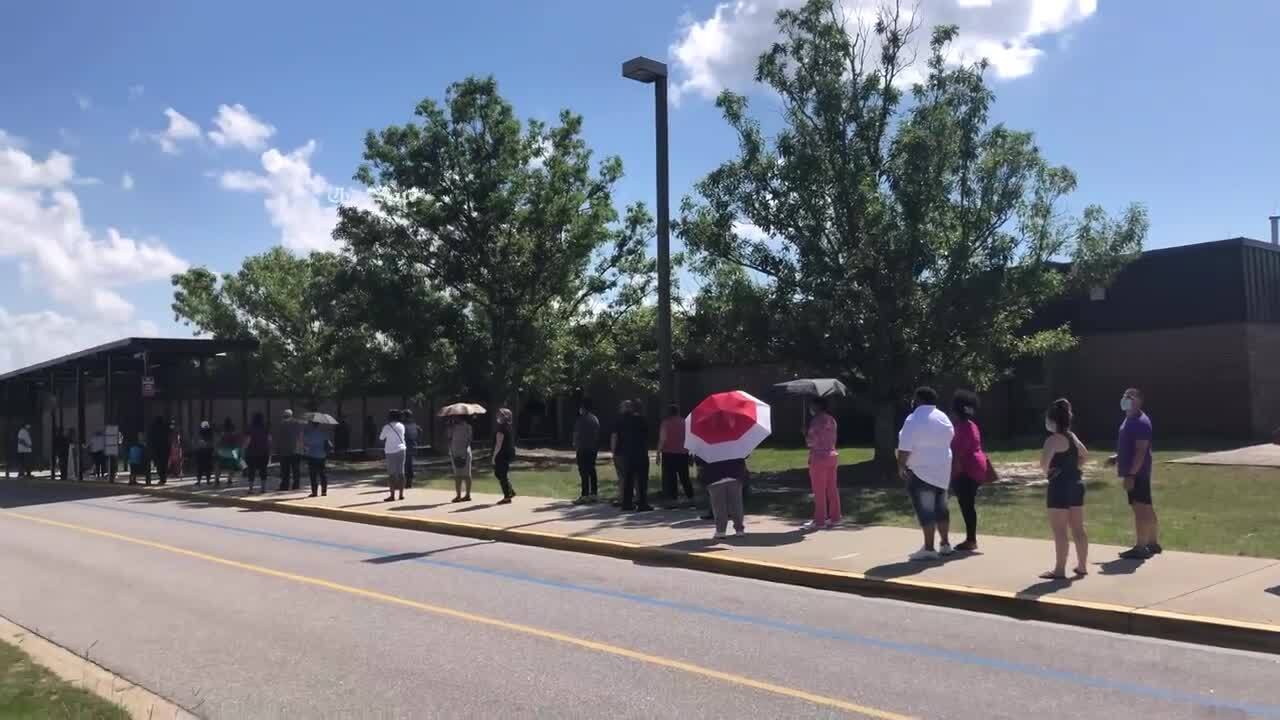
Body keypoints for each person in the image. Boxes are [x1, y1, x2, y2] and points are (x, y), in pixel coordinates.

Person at [897, 387, 956, 561]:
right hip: (943, 469)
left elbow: (905, 446)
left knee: (926, 509)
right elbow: (949, 438)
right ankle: (945, 544)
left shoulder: (913, 419)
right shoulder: (943, 417)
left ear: (918, 399)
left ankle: (929, 548)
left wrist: (901, 466)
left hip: (921, 470)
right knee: (941, 508)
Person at [1107, 387, 1160, 559]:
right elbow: (1130, 447)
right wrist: (1117, 457)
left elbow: (1140, 451)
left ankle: (1140, 547)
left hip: (1138, 473)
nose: (1125, 398)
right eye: (1124, 395)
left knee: (1140, 508)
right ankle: (1152, 543)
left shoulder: (1141, 422)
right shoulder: (1129, 419)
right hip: (1137, 471)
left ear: (1139, 401)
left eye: (1130, 396)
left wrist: (1130, 475)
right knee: (1146, 506)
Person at [1040, 398, 1089, 579]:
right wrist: (1074, 466)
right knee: (1078, 528)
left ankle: (1060, 570)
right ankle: (1082, 566)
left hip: (1059, 487)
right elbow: (1084, 455)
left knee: (1060, 530)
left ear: (1052, 420)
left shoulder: (1052, 440)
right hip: (1076, 484)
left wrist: (1052, 472)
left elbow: (1044, 465)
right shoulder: (1072, 436)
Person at [949, 390, 990, 551]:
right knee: (968, 504)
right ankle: (971, 538)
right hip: (978, 467)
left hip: (967, 469)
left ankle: (971, 540)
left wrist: (952, 476)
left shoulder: (961, 428)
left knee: (966, 504)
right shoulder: (972, 425)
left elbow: (958, 455)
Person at [803, 397, 840, 530]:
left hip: (818, 457)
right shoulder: (832, 420)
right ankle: (835, 517)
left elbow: (811, 442)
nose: (810, 408)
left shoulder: (816, 421)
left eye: (812, 406)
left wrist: (806, 435)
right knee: (832, 488)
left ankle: (819, 520)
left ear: (817, 407)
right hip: (832, 455)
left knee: (819, 490)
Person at [613, 401, 653, 511]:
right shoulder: (641, 420)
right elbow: (646, 436)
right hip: (640, 453)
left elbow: (616, 437)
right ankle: (642, 503)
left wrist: (615, 452)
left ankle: (627, 503)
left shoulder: (619, 421)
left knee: (628, 480)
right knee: (642, 480)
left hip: (626, 453)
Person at [703, 457, 748, 540]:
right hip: (734, 474)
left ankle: (721, 531)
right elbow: (745, 455)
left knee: (719, 506)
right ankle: (739, 529)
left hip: (715, 477)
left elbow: (700, 460)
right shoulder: (734, 444)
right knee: (736, 504)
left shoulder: (706, 445)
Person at [658, 403, 693, 506]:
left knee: (671, 477)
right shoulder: (685, 422)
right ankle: (690, 497)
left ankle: (673, 499)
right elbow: (690, 438)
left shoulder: (665, 423)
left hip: (669, 453)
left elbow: (663, 439)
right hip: (683, 453)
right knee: (684, 476)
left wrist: (658, 452)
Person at [573, 399, 601, 504]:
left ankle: (585, 494)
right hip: (593, 448)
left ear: (583, 408)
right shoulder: (595, 419)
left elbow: (576, 433)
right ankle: (594, 494)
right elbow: (597, 434)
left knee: (583, 471)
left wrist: (575, 444)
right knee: (592, 470)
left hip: (582, 448)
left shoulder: (580, 420)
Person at [379, 409, 407, 502]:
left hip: (390, 451)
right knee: (401, 472)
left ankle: (392, 495)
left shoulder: (387, 427)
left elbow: (381, 437)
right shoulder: (401, 426)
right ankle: (401, 494)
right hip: (402, 449)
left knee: (391, 474)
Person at [242, 413, 272, 494]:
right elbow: (269, 440)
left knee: (251, 470)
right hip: (263, 452)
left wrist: (243, 449)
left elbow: (248, 440)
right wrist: (269, 449)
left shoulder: (250, 428)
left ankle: (251, 489)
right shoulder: (266, 428)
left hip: (251, 452)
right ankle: (263, 488)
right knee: (263, 470)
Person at [492, 408, 516, 504]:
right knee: (499, 474)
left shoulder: (501, 428)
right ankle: (510, 491)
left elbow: (498, 444)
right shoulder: (508, 427)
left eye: (500, 414)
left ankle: (507, 497)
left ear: (504, 417)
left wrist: (494, 457)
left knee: (501, 475)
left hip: (501, 455)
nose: (497, 416)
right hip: (506, 454)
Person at [276, 409, 304, 492]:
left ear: (284, 416)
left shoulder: (282, 424)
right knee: (296, 469)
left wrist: (278, 449)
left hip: (285, 450)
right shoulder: (298, 423)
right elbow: (301, 436)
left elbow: (279, 438)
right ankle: (296, 485)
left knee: (285, 469)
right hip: (296, 449)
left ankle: (285, 485)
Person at [448, 416, 474, 503]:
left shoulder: (468, 427)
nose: (455, 419)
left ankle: (467, 495)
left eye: (457, 417)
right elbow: (449, 437)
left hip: (465, 452)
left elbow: (469, 440)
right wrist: (450, 427)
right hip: (455, 452)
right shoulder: (453, 427)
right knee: (457, 475)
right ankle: (458, 495)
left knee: (467, 474)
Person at [303, 420, 331, 497]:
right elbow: (328, 443)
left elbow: (305, 444)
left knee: (313, 474)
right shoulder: (323, 433)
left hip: (312, 455)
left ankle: (314, 492)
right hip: (322, 455)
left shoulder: (309, 433)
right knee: (323, 473)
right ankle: (324, 491)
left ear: (312, 424)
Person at [214, 418, 241, 486]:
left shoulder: (222, 434)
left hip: (222, 452)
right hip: (231, 452)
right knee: (231, 467)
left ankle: (217, 479)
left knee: (218, 466)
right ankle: (229, 480)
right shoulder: (234, 434)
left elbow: (218, 442)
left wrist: (216, 450)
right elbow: (236, 443)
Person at [146, 416, 171, 486]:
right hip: (165, 448)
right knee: (164, 464)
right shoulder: (165, 426)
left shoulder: (153, 427)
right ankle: (163, 478)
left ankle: (162, 478)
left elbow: (150, 438)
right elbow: (170, 431)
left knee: (159, 464)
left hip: (157, 449)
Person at [193, 421, 215, 486]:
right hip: (206, 451)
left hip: (202, 452)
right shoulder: (210, 433)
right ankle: (206, 481)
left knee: (201, 467)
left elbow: (196, 442)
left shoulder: (201, 433)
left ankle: (200, 481)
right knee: (206, 467)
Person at [402, 409, 420, 488]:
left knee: (406, 465)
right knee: (409, 465)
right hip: (413, 446)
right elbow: (419, 431)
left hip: (406, 446)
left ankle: (407, 482)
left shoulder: (404, 425)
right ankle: (409, 482)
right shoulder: (414, 424)